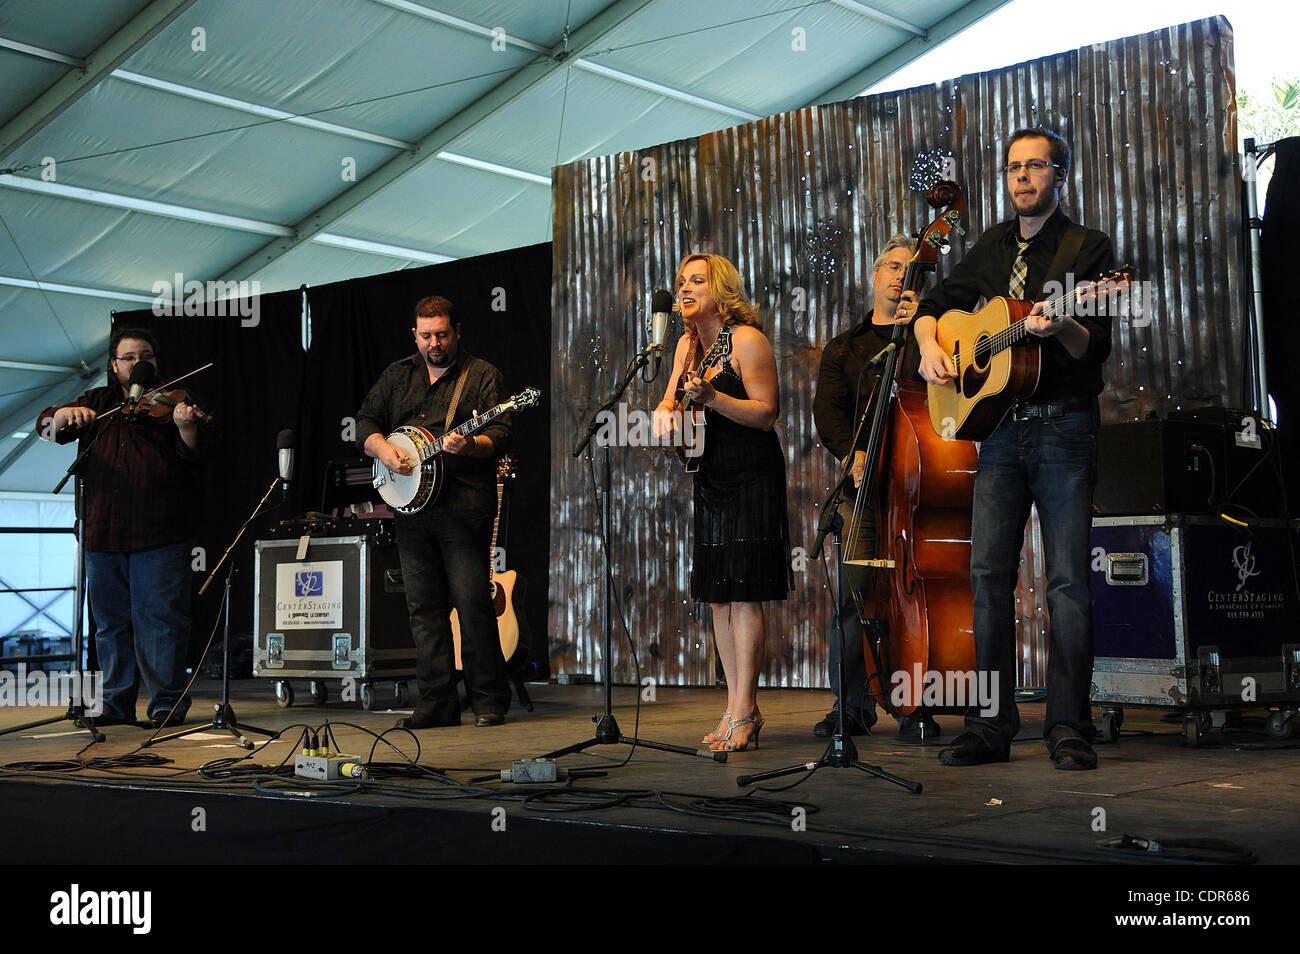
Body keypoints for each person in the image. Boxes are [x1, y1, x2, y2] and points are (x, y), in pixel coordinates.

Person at [912, 128, 1116, 770]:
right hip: (997, 429)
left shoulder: (1089, 250)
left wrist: (1067, 323)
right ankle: (990, 726)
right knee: (986, 577)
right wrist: (929, 347)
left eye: (1035, 166)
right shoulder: (992, 245)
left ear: (1061, 175)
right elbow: (935, 305)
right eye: (1012, 168)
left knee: (1066, 584)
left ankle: (1068, 726)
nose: (1022, 177)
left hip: (1062, 426)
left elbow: (1094, 349)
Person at [653, 253, 792, 752]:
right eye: (680, 282)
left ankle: (745, 710)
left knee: (743, 592)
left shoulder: (747, 340)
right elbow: (670, 397)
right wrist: (665, 409)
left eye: (696, 280)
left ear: (722, 289)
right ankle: (737, 706)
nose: (684, 289)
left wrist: (713, 399)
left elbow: (765, 414)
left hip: (752, 474)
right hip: (710, 475)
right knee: (717, 595)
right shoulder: (687, 346)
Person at [356, 296, 511, 728]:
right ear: (415, 334)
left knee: (471, 604)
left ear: (457, 330)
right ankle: (437, 703)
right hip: (411, 509)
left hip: (463, 508)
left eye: (442, 334)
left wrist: (472, 444)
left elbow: (501, 432)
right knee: (423, 609)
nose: (434, 343)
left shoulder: (481, 375)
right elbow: (365, 423)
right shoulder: (398, 374)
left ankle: (487, 700)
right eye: (426, 335)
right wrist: (383, 449)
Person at [38, 327, 204, 728]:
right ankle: (114, 703)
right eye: (128, 357)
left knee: (161, 622)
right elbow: (45, 429)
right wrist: (60, 417)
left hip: (159, 531)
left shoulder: (174, 400)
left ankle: (166, 703)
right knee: (110, 625)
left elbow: (195, 456)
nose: (136, 363)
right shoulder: (96, 401)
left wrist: (186, 427)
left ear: (154, 361)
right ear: (114, 366)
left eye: (144, 355)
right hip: (102, 531)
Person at [812, 235, 940, 742]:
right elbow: (829, 413)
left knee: (923, 598)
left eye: (908, 268)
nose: (898, 275)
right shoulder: (846, 348)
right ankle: (851, 706)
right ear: (873, 274)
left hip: (919, 486)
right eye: (890, 266)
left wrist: (918, 329)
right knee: (852, 598)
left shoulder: (929, 337)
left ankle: (918, 704)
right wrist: (852, 454)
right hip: (863, 487)